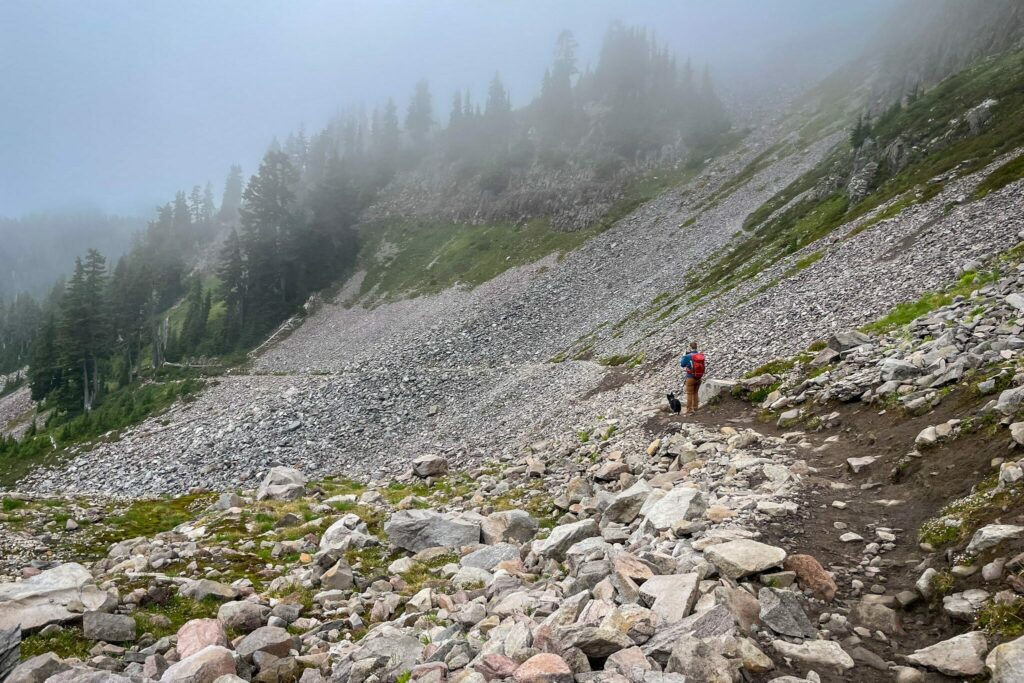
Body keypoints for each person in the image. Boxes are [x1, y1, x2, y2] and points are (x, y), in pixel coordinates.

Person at [679, 342, 706, 414]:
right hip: (699, 377)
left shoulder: (688, 356)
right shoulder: (701, 355)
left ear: (690, 347)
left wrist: (683, 356)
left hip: (690, 377)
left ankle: (689, 410)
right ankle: (695, 407)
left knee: (689, 393)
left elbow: (682, 364)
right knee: (695, 392)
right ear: (696, 347)